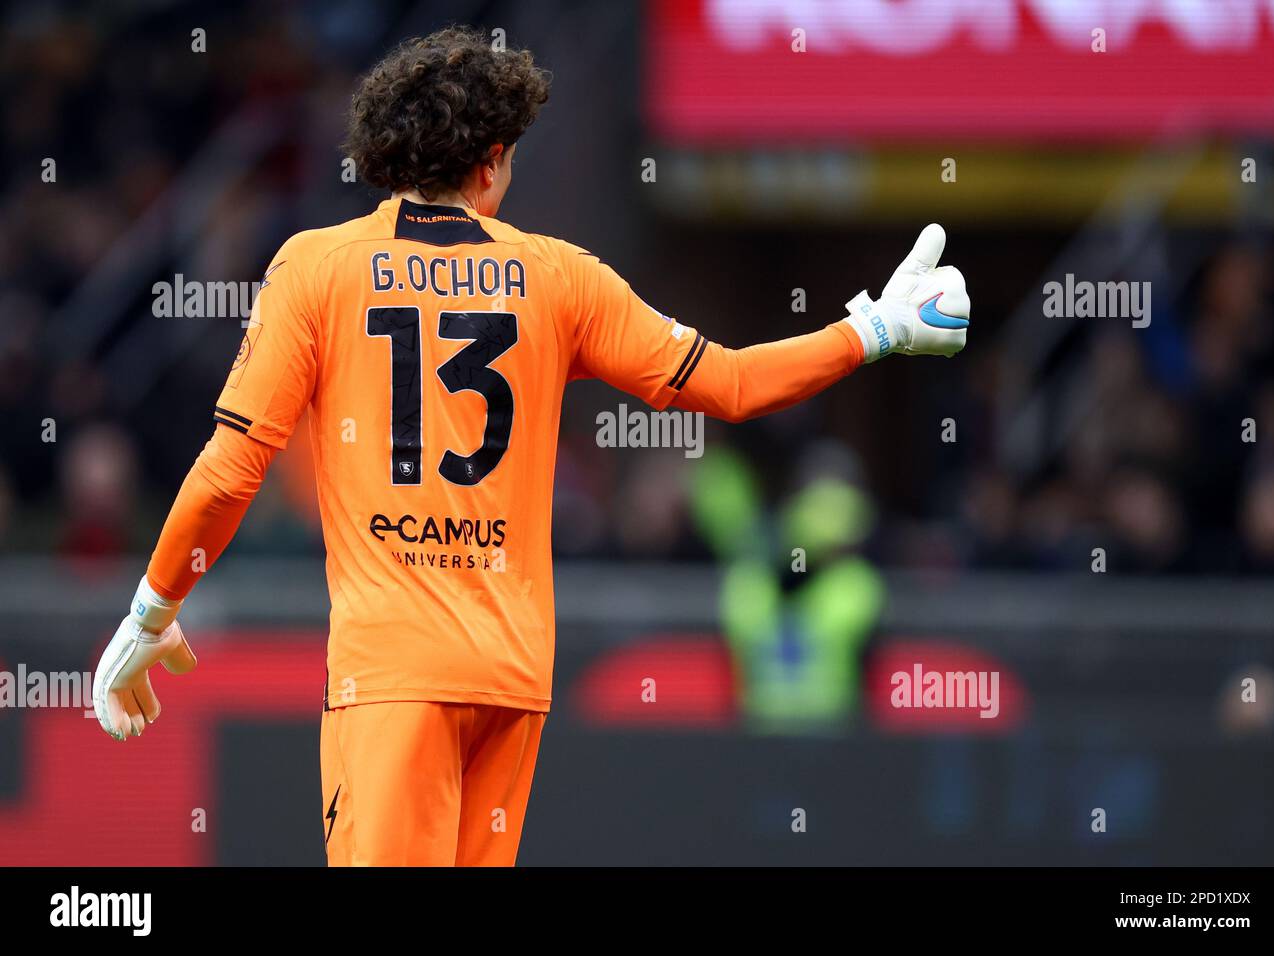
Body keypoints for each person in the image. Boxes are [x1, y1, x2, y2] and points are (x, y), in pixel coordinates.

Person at [91, 26, 971, 866]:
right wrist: (876, 331)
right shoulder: (559, 278)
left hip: (391, 673)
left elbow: (231, 468)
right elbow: (734, 384)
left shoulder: (313, 269)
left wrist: (150, 612)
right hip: (510, 679)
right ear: (491, 163)